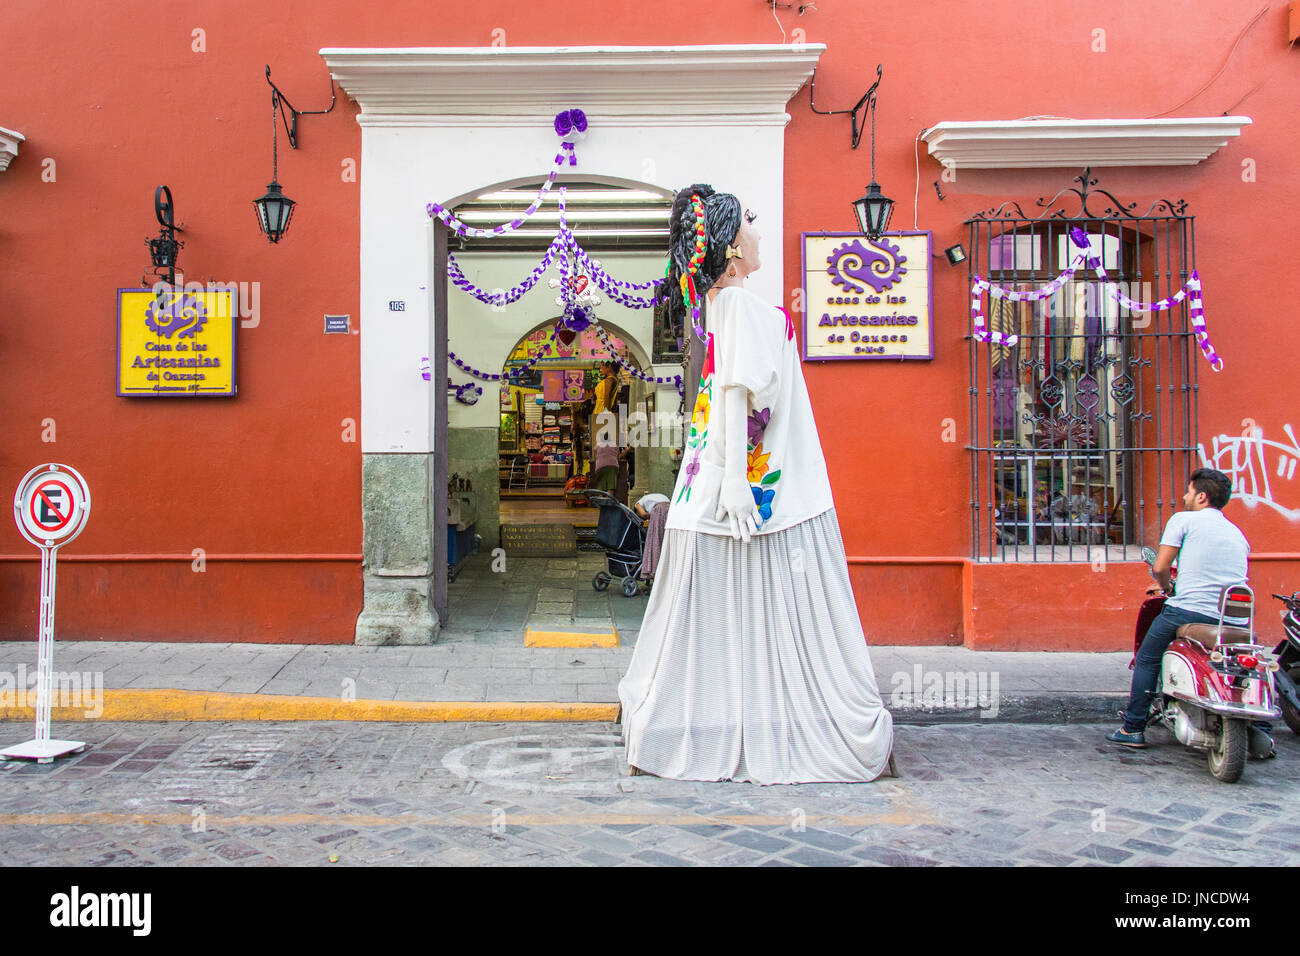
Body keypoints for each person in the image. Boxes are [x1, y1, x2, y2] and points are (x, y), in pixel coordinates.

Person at [617, 184, 895, 784]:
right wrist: (741, 484)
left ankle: (725, 713)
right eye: (751, 222)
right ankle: (765, 718)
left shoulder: (723, 305)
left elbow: (729, 392)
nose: (760, 229)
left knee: (722, 605)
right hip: (757, 483)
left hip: (723, 479)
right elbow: (738, 391)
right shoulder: (739, 305)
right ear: (732, 248)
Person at [1107, 468, 1270, 754]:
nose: (1184, 496)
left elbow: (1159, 567)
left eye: (1188, 491)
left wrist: (1167, 585)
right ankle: (1264, 730)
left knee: (1146, 658)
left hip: (1187, 610)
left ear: (1202, 496)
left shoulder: (1183, 520)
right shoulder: (1237, 533)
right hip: (1232, 619)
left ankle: (1132, 728)